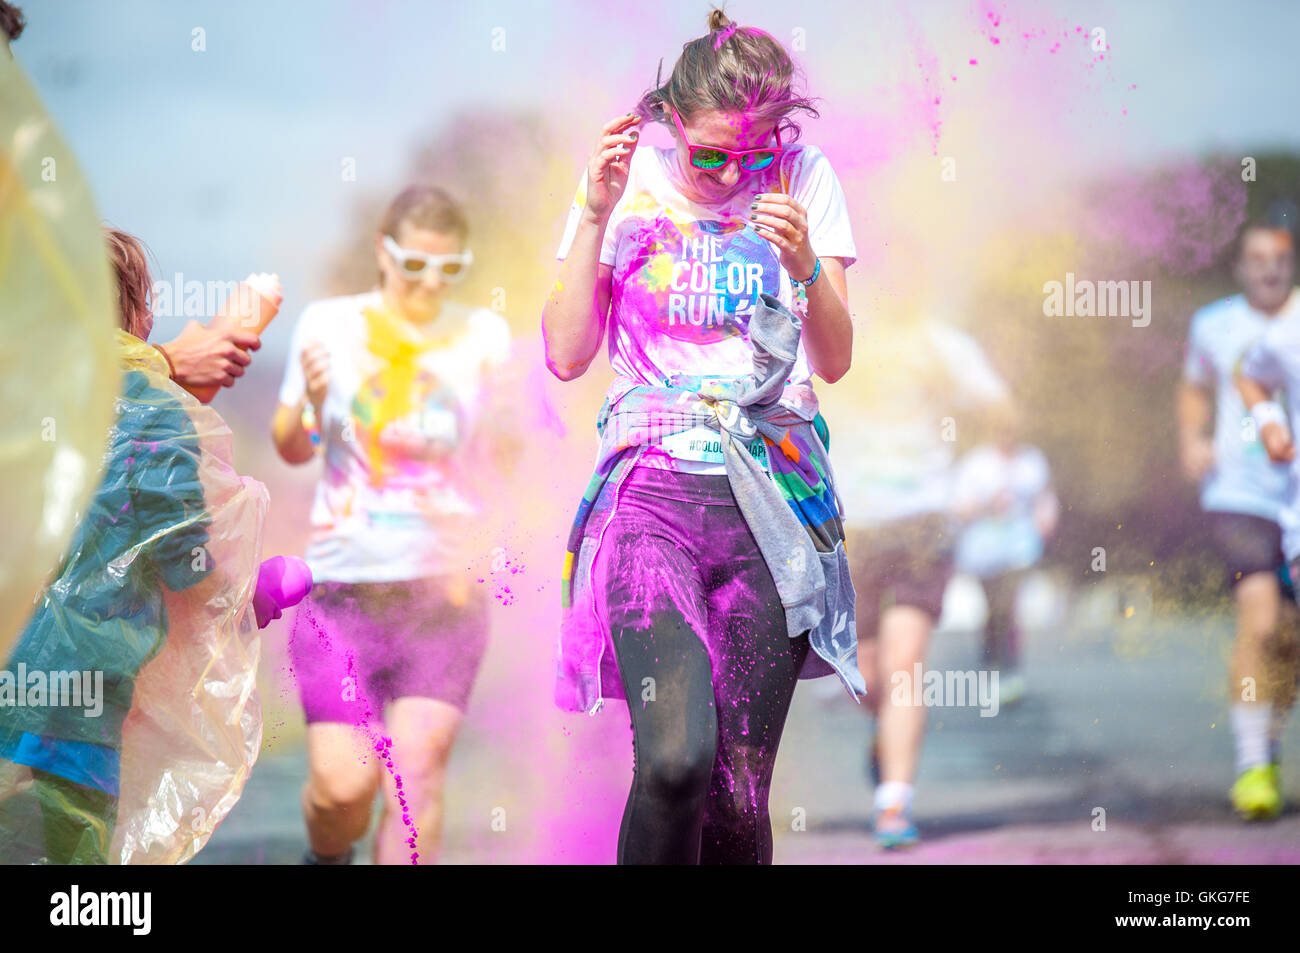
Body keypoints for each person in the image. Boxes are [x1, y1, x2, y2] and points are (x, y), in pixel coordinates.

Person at [545, 8, 862, 865]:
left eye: (756, 152)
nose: (734, 172)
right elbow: (567, 353)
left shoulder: (804, 177)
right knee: (678, 761)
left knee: (736, 798)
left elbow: (833, 359)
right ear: (670, 122)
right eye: (712, 153)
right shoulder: (631, 178)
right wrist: (590, 212)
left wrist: (805, 271)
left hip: (772, 499)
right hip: (652, 495)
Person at [0, 228, 296, 864]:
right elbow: (186, 564)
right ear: (143, 311)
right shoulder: (155, 414)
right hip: (72, 705)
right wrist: (254, 596)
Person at [272, 185, 512, 865]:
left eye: (449, 270)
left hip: (443, 599)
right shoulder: (328, 326)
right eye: (413, 266)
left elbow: (504, 459)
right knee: (342, 789)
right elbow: (292, 444)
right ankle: (326, 856)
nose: (430, 284)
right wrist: (314, 405)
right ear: (384, 252)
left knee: (417, 781)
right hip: (343, 593)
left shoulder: (482, 336)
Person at [832, 313, 1010, 849]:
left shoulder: (943, 344)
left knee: (905, 663)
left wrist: (987, 477)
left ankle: (894, 804)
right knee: (864, 671)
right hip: (850, 524)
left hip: (924, 522)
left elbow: (1001, 410)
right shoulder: (833, 324)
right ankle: (885, 732)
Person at [1219, 218, 1300, 820]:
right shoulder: (1284, 331)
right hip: (1245, 497)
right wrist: (1270, 420)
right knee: (1265, 626)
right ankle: (1253, 762)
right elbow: (1246, 372)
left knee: (1290, 644)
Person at [951, 405, 1059, 705]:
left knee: (1009, 606)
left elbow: (1044, 496)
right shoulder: (977, 464)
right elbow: (960, 508)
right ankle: (992, 665)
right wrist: (988, 504)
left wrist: (1045, 518)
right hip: (983, 552)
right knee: (993, 610)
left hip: (1020, 548)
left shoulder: (1032, 461)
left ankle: (1009, 671)